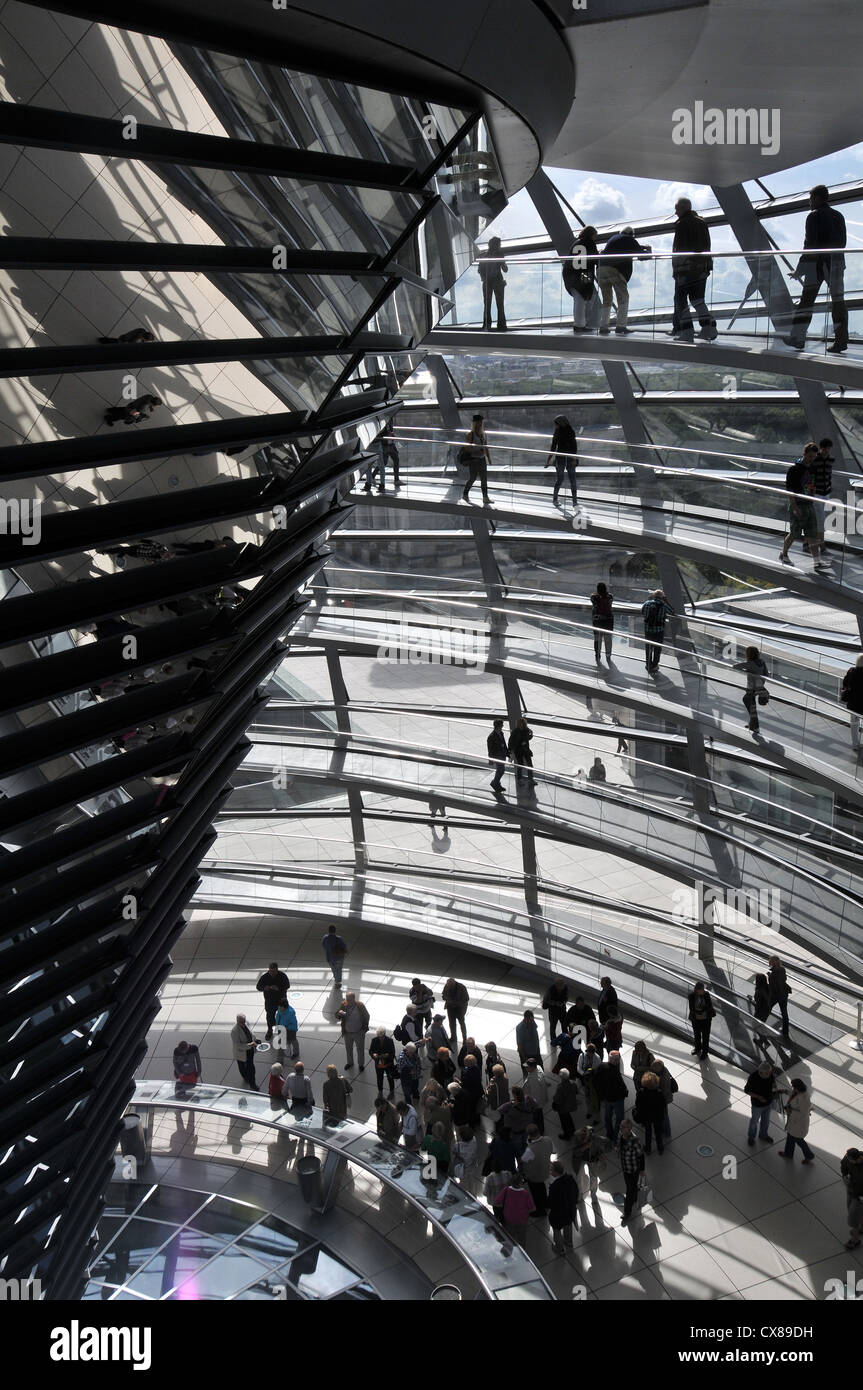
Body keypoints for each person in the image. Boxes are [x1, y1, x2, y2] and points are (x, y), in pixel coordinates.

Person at [783, 185, 847, 353]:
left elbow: (810, 245)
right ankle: (841, 340)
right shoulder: (838, 216)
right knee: (838, 302)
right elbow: (843, 243)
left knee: (806, 302)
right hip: (837, 263)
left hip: (818, 266)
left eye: (810, 199)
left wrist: (799, 270)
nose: (809, 203)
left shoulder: (813, 216)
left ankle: (797, 338)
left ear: (817, 198)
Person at [670, 196, 716, 341]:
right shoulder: (702, 222)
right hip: (703, 268)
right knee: (697, 299)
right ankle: (708, 328)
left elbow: (680, 249)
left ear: (683, 208)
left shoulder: (682, 224)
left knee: (680, 299)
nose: (675, 212)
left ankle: (687, 331)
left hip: (686, 268)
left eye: (677, 209)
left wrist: (677, 270)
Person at [598, 225, 652, 334]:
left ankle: (603, 327)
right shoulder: (630, 240)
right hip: (615, 270)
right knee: (623, 298)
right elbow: (642, 256)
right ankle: (621, 326)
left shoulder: (613, 238)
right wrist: (649, 251)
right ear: (631, 234)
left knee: (607, 300)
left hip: (601, 269)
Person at [779, 444, 823, 569]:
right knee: (794, 533)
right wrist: (794, 506)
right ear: (804, 454)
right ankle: (784, 553)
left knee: (812, 534)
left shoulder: (813, 468)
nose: (811, 459)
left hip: (809, 504)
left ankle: (817, 561)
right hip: (798, 505)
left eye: (814, 457)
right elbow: (790, 489)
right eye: (810, 456)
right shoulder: (794, 469)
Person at [733, 645, 769, 737]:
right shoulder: (762, 662)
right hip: (760, 687)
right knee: (751, 705)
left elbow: (735, 666)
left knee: (748, 702)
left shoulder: (750, 663)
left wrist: (747, 670)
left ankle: (755, 726)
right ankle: (752, 725)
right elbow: (766, 675)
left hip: (751, 689)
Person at [569, 226, 600, 332]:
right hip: (584, 273)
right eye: (595, 235)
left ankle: (580, 324)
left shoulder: (576, 243)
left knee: (581, 298)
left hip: (572, 274)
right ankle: (580, 325)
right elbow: (595, 258)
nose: (596, 237)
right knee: (587, 297)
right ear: (591, 234)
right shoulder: (590, 243)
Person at [594, 1050, 628, 1142]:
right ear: (616, 1061)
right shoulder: (615, 1072)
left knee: (607, 1117)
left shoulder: (602, 1066)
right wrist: (625, 1092)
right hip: (617, 1100)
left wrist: (601, 1095)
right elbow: (621, 1087)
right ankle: (615, 1136)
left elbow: (596, 1080)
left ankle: (609, 1133)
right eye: (618, 1059)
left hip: (607, 1099)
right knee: (619, 1118)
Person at [546, 414, 579, 508]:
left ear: (559, 424)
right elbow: (574, 447)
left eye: (556, 424)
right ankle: (574, 502)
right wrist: (574, 458)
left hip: (562, 458)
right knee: (571, 480)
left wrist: (549, 460)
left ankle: (556, 500)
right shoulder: (570, 431)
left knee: (561, 479)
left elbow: (553, 447)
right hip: (568, 458)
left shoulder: (559, 432)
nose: (555, 426)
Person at [521, 1123, 554, 1216]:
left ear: (529, 1135)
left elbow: (523, 1160)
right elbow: (554, 1150)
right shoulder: (548, 1140)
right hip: (546, 1169)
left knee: (536, 1193)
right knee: (542, 1187)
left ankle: (541, 1210)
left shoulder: (530, 1149)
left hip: (534, 1175)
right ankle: (546, 1203)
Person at [780, 1078, 814, 1164]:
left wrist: (790, 1111)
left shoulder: (804, 1099)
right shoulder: (799, 1092)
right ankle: (788, 1153)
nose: (793, 1089)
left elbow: (803, 1113)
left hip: (799, 1124)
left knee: (799, 1140)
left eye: (794, 1087)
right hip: (794, 1123)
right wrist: (786, 1091)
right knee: (790, 1138)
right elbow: (793, 1095)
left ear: (798, 1088)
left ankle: (809, 1155)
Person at [641, 590, 675, 675]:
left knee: (648, 648)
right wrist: (667, 601)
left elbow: (642, 612)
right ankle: (655, 665)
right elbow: (672, 612)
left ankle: (648, 665)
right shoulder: (664, 605)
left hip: (648, 630)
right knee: (657, 648)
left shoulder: (647, 603)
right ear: (662, 597)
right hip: (658, 631)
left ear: (654, 596)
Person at [744, 1060, 779, 1145]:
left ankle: (763, 1135)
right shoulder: (753, 1077)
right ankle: (751, 1137)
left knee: (766, 1121)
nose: (767, 1075)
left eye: (768, 1073)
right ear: (760, 1072)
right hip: (757, 1105)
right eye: (764, 1073)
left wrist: (775, 1090)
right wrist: (759, 1097)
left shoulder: (770, 1075)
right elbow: (747, 1090)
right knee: (754, 1122)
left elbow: (773, 1084)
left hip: (768, 1103)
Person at [618, 1118, 645, 1224]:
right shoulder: (621, 1136)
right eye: (621, 1126)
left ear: (629, 1129)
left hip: (633, 1169)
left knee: (629, 1190)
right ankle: (634, 1198)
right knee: (631, 1187)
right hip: (625, 1168)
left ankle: (627, 1212)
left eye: (623, 1127)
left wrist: (642, 1170)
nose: (620, 1128)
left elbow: (641, 1155)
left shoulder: (635, 1141)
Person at [460, 413, 492, 505]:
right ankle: (465, 494)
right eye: (478, 422)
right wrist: (476, 451)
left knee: (484, 478)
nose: (480, 424)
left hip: (482, 459)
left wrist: (488, 457)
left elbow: (486, 446)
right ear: (475, 423)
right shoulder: (471, 434)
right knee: (473, 477)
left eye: (481, 422)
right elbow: (467, 448)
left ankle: (485, 497)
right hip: (474, 459)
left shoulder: (483, 434)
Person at [811, 438, 834, 561]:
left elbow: (828, 474)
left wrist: (830, 487)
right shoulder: (815, 459)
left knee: (819, 518)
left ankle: (807, 542)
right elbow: (811, 475)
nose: (826, 450)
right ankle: (822, 547)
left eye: (828, 448)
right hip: (817, 493)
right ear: (821, 448)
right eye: (825, 448)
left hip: (826, 492)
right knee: (821, 519)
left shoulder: (830, 460)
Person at [477, 235, 508, 330]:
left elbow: (479, 270)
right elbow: (505, 269)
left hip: (490, 282)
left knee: (489, 305)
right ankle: (500, 325)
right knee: (497, 305)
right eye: (499, 245)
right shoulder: (497, 254)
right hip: (495, 282)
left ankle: (488, 325)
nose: (500, 246)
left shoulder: (484, 255)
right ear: (495, 245)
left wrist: (484, 278)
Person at [572, 1124, 609, 1201]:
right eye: (582, 1140)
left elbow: (606, 1144)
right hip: (579, 1159)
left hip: (592, 1158)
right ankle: (579, 1194)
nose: (583, 1141)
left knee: (593, 1176)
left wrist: (602, 1153)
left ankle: (593, 1194)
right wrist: (585, 1147)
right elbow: (575, 1152)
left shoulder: (595, 1138)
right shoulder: (577, 1136)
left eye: (585, 1139)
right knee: (579, 1177)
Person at [633, 1071, 667, 1155]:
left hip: (646, 1117)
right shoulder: (659, 1093)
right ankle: (660, 1148)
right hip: (657, 1117)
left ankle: (648, 1149)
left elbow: (638, 1104)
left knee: (648, 1132)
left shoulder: (641, 1093)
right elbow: (663, 1104)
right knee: (658, 1133)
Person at [493, 1172, 535, 1236]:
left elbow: (496, 1202)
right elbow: (532, 1208)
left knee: (510, 1236)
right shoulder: (525, 1193)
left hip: (509, 1218)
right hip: (522, 1219)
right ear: (521, 1183)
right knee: (522, 1237)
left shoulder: (506, 1190)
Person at [336, 991, 370, 1070]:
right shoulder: (344, 1004)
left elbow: (367, 1016)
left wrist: (364, 1029)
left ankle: (361, 1064)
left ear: (354, 999)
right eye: (347, 999)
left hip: (359, 1032)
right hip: (347, 1032)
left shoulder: (360, 1005)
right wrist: (339, 1013)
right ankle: (350, 1063)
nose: (347, 1001)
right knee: (348, 1049)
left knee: (360, 1049)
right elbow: (336, 1015)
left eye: (349, 1000)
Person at [256, 962, 290, 1039]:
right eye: (270, 971)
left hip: (281, 1000)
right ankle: (270, 1030)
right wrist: (265, 988)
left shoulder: (282, 976)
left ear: (277, 970)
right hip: (270, 1001)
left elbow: (287, 985)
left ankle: (282, 1030)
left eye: (274, 971)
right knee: (270, 1016)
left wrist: (278, 988)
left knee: (283, 1015)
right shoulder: (265, 977)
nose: (272, 973)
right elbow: (258, 987)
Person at [498, 1085, 533, 1156]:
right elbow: (536, 1105)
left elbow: (496, 1113)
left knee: (518, 1151)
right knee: (526, 1145)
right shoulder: (528, 1100)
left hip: (516, 1132)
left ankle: (521, 1161)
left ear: (515, 1096)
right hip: (527, 1129)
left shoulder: (509, 1106)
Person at [840, 1147, 863, 1249]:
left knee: (853, 1219)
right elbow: (843, 1165)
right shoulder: (848, 1159)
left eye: (851, 1161)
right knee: (851, 1210)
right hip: (851, 1191)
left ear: (857, 1158)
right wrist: (844, 1176)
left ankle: (855, 1240)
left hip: (859, 1197)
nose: (849, 1162)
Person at [841, 654, 863, 755]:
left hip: (853, 704)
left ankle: (855, 744)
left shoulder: (851, 671)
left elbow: (845, 684)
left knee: (854, 724)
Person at [522, 1057, 551, 1133]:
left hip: (535, 1103)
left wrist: (533, 1105)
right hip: (539, 1102)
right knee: (539, 1116)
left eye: (527, 1067)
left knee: (536, 1117)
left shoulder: (534, 1080)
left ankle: (538, 1131)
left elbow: (536, 1095)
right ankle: (541, 1129)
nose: (526, 1068)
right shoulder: (538, 1067)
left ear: (532, 1067)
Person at [688, 981, 716, 1059]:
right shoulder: (691, 996)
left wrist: (702, 1010)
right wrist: (698, 1011)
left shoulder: (706, 995)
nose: (702, 991)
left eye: (702, 990)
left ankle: (705, 1053)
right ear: (696, 990)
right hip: (696, 1019)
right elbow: (691, 1008)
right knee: (697, 1035)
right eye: (700, 990)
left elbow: (709, 1006)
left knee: (705, 1036)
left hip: (706, 1020)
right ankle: (697, 1049)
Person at [231, 1013, 259, 1090]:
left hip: (250, 1051)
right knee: (242, 1067)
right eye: (241, 1022)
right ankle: (247, 1079)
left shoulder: (246, 1024)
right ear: (237, 1021)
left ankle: (252, 1083)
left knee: (251, 1068)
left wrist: (255, 1039)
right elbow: (238, 1045)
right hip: (241, 1053)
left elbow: (250, 1033)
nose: (243, 1023)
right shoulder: (234, 1031)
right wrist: (250, 1045)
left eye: (244, 1021)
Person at [651, 1058, 677, 1137]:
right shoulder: (664, 1069)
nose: (653, 1070)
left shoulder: (663, 1078)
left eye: (654, 1068)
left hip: (663, 1099)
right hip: (664, 1098)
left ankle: (667, 1132)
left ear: (659, 1068)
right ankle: (665, 1131)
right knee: (664, 1115)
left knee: (664, 1116)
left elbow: (663, 1091)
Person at [552, 1067, 580, 1140]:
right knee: (568, 1118)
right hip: (571, 1105)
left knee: (564, 1121)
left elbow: (557, 1099)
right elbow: (576, 1092)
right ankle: (572, 1130)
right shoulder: (573, 1083)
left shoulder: (561, 1087)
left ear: (561, 1077)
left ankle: (567, 1135)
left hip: (563, 1107)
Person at [590, 582, 614, 663]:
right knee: (608, 639)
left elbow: (593, 603)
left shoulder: (593, 596)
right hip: (608, 621)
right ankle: (608, 654)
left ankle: (597, 654)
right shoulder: (610, 596)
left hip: (597, 621)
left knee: (597, 639)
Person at [767, 956, 791, 1037]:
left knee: (766, 1009)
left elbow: (773, 986)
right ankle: (785, 1031)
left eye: (769, 960)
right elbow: (783, 980)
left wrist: (769, 976)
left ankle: (761, 1024)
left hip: (776, 995)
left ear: (773, 962)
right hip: (784, 994)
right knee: (784, 1013)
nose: (768, 961)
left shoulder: (773, 972)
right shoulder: (782, 969)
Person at [369, 1026, 397, 1097]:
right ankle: (380, 1091)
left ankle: (392, 1091)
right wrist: (373, 1055)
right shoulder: (374, 1040)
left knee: (390, 1077)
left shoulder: (390, 1040)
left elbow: (393, 1053)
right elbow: (371, 1051)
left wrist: (387, 1056)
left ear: (384, 1034)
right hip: (379, 1063)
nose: (380, 1038)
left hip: (388, 1063)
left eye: (382, 1036)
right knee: (379, 1078)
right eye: (379, 1036)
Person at [508, 717, 535, 785]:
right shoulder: (515, 731)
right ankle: (519, 779)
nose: (522, 725)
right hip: (518, 750)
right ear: (519, 724)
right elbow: (511, 741)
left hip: (526, 749)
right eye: (521, 724)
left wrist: (531, 735)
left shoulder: (526, 730)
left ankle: (530, 779)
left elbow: (528, 737)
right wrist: (510, 751)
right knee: (520, 765)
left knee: (530, 764)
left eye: (523, 724)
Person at [487, 717, 509, 797]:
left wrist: (507, 753)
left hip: (502, 755)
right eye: (502, 725)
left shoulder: (501, 733)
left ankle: (497, 784)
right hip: (497, 756)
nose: (503, 726)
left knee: (500, 770)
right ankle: (494, 783)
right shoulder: (491, 737)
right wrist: (490, 759)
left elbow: (504, 743)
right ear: (498, 726)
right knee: (501, 770)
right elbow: (490, 749)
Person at [578, 1043, 601, 1119]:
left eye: (591, 1053)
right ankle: (589, 1111)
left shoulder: (597, 1058)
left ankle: (597, 1115)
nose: (589, 1054)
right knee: (587, 1097)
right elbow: (579, 1068)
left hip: (594, 1081)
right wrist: (584, 1073)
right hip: (586, 1080)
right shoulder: (582, 1056)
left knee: (595, 1098)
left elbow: (599, 1070)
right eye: (588, 1052)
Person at [442, 978, 469, 1043]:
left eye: (451, 986)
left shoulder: (461, 987)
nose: (449, 987)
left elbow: (466, 998)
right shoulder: (447, 986)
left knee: (462, 1023)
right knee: (452, 1023)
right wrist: (448, 999)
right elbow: (443, 995)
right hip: (450, 1007)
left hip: (460, 1008)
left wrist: (456, 1003)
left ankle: (465, 1039)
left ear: (454, 984)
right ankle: (453, 1037)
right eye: (448, 986)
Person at [751, 973, 772, 1044]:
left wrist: (751, 1000)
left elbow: (758, 1005)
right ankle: (763, 1040)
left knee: (755, 1025)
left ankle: (763, 1040)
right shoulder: (768, 987)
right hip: (767, 1009)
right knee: (761, 1024)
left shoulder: (759, 991)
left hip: (760, 1012)